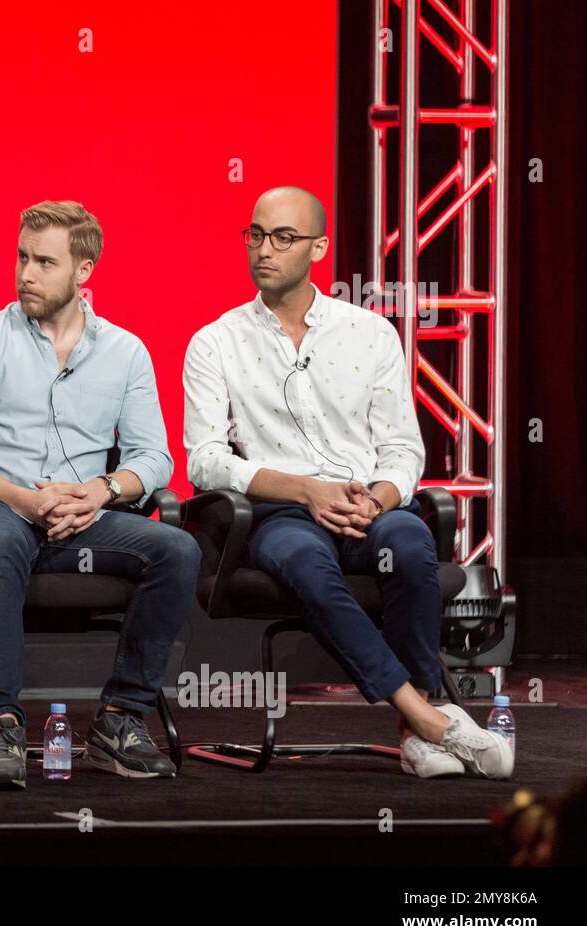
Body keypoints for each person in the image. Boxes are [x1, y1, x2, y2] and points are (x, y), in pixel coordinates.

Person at [182, 185, 513, 780]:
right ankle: (428, 717)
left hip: (366, 505)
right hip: (279, 514)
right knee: (309, 562)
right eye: (255, 234)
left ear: (319, 247)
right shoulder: (216, 342)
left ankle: (414, 734)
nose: (264, 249)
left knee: (410, 544)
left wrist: (376, 501)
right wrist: (307, 491)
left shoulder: (370, 334)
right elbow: (204, 462)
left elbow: (403, 450)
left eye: (283, 238)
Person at [0, 200, 200, 790]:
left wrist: (99, 492)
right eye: (22, 257)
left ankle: (121, 719)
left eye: (44, 262)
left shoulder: (125, 352)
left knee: (178, 550)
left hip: (82, 515)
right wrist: (22, 499)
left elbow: (154, 459)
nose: (25, 273)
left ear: (84, 270)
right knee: (2, 540)